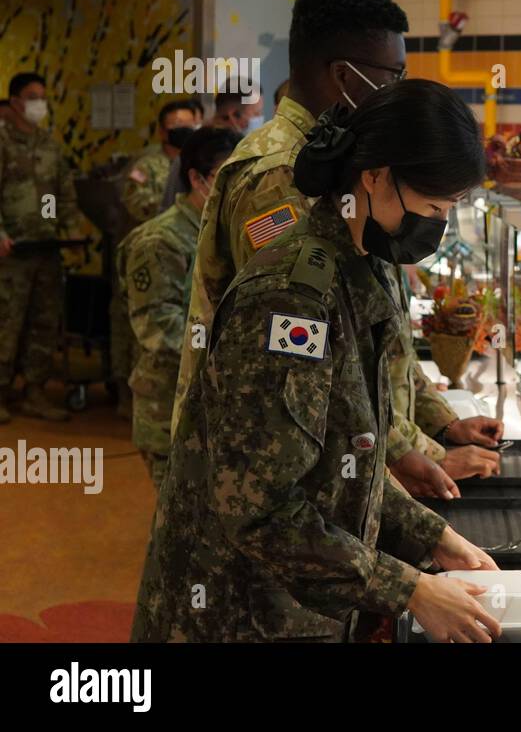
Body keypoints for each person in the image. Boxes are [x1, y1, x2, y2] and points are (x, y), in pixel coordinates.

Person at [132, 81, 502, 642]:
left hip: (293, 605)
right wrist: (411, 590)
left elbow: (342, 464)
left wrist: (431, 538)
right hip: (235, 613)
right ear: (374, 175)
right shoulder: (290, 301)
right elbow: (262, 508)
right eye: (431, 208)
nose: (435, 226)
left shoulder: (361, 264)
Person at [172, 0, 496, 498]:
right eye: (394, 75)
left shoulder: (349, 162)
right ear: (346, 77)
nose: (398, 90)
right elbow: (304, 383)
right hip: (274, 491)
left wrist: (436, 423)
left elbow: (375, 338)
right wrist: (414, 456)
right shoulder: (282, 177)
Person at [118, 127, 242, 489]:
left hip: (216, 404)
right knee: (181, 534)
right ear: (196, 178)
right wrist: (231, 356)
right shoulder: (160, 241)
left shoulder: (227, 233)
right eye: (226, 177)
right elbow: (158, 328)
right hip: (170, 409)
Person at [0, 72, 81, 423]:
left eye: (42, 97)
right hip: (11, 251)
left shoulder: (49, 145)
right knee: (6, 323)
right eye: (33, 97)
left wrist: (73, 231)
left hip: (46, 247)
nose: (40, 104)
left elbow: (63, 192)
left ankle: (35, 390)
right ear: (15, 101)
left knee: (44, 322)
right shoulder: (2, 143)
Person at [121, 100, 200, 223]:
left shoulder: (200, 162)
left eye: (190, 126)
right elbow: (135, 201)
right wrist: (178, 206)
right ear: (162, 132)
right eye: (178, 125)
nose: (185, 131)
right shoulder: (146, 166)